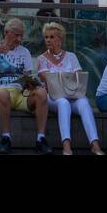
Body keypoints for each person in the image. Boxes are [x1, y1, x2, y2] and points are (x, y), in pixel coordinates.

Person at [0, 17, 50, 154]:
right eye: (17, 35)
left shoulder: (24, 52)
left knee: (41, 93)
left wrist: (32, 84)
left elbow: (27, 77)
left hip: (21, 93)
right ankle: (6, 138)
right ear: (7, 32)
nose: (19, 39)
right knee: (4, 93)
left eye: (21, 35)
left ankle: (41, 139)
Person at [36, 21, 102, 155]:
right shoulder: (41, 59)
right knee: (63, 102)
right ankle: (66, 145)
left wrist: (59, 77)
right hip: (53, 97)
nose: (48, 40)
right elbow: (47, 80)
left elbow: (79, 77)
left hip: (73, 95)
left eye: (52, 37)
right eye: (46, 37)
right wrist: (67, 77)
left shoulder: (71, 56)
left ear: (60, 39)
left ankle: (95, 144)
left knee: (84, 102)